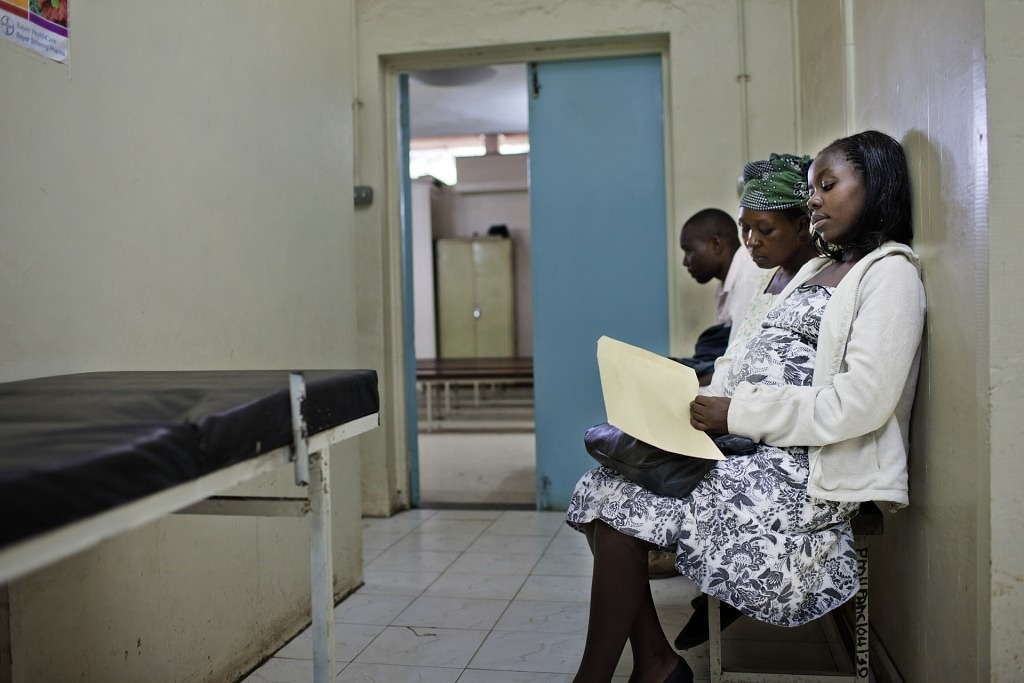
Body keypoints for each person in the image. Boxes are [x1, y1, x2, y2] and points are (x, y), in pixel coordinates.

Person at [565, 130, 925, 683]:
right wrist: (690, 407)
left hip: (804, 475)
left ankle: (637, 671)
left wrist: (735, 415)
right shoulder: (810, 270)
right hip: (748, 449)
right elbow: (742, 358)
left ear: (874, 186)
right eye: (811, 190)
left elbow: (859, 406)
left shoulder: (889, 275)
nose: (815, 200)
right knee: (606, 486)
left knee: (615, 503)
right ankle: (656, 665)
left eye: (828, 186)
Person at [677, 207, 762, 379]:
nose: (685, 262)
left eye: (689, 251)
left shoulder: (748, 276)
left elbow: (738, 361)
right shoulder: (726, 284)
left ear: (715, 245)